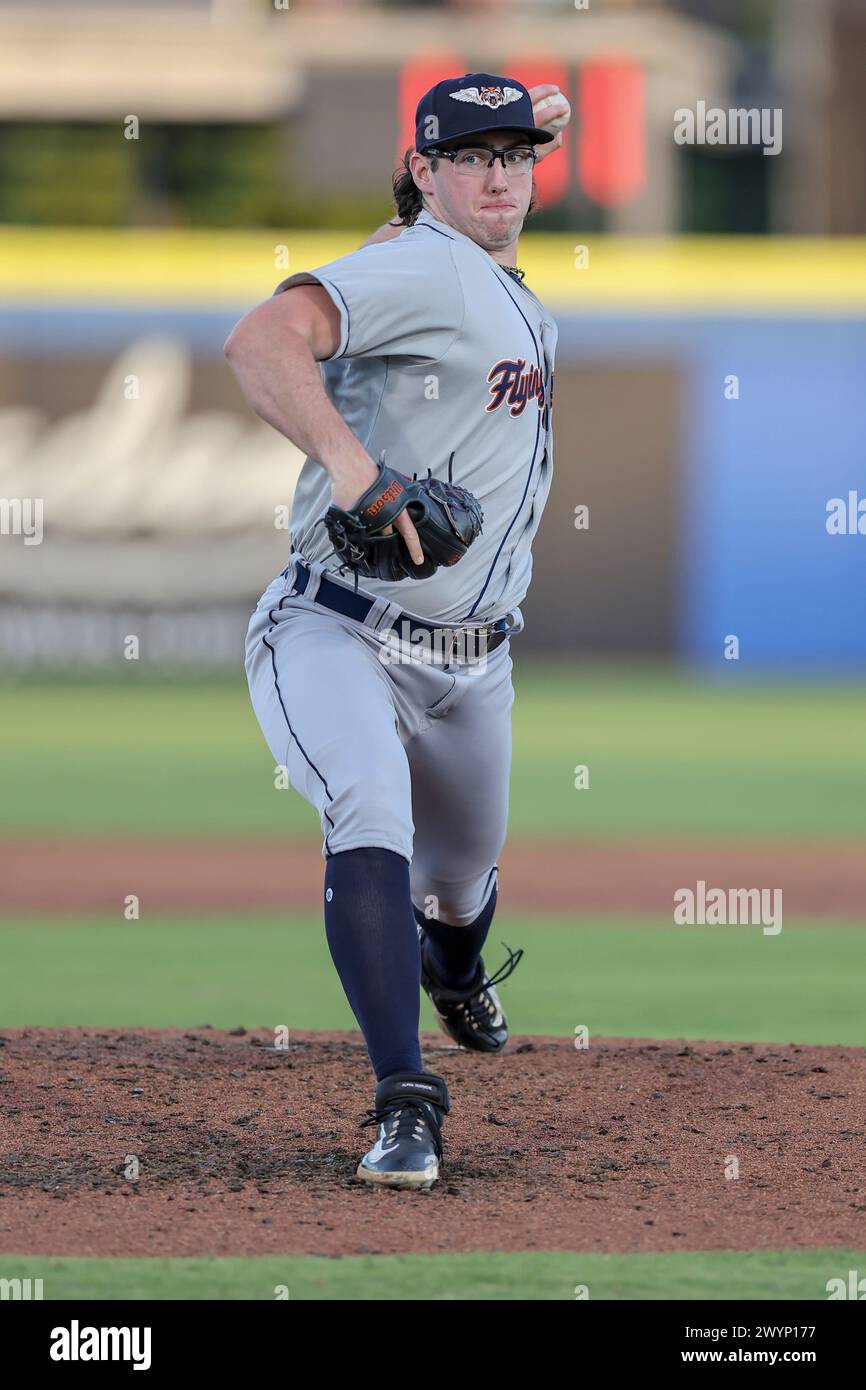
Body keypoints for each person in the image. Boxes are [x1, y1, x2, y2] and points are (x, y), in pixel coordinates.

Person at [225, 73, 569, 1190]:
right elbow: (260, 340)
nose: (501, 174)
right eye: (473, 156)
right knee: (369, 809)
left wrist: (525, 113)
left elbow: (492, 164)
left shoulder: (469, 263)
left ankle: (453, 960)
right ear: (421, 170)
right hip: (338, 630)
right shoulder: (422, 261)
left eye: (515, 155)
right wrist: (355, 467)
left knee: (461, 879)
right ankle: (403, 1102)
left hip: (475, 663)